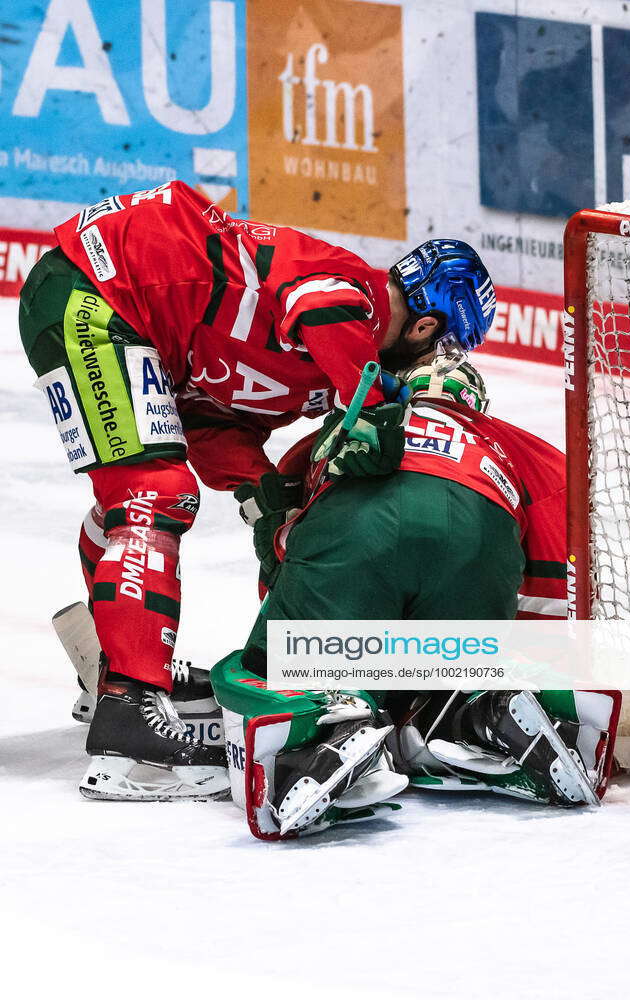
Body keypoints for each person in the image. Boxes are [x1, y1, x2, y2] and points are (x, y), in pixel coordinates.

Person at [18, 179, 496, 799]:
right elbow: (316, 305)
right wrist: (374, 411)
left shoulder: (324, 376)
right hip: (96, 294)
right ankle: (128, 714)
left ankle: (121, 667)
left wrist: (264, 498)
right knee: (152, 495)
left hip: (122, 317)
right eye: (443, 348)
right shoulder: (353, 295)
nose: (434, 366)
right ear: (423, 327)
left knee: (137, 494)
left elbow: (210, 418)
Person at [211, 360, 619, 837]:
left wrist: (287, 644)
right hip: (478, 538)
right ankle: (482, 712)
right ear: (477, 406)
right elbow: (555, 577)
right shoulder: (512, 443)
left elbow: (286, 547)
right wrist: (529, 659)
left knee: (281, 664)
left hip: (352, 536)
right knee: (441, 675)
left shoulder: (336, 431)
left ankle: (331, 725)